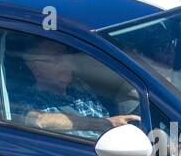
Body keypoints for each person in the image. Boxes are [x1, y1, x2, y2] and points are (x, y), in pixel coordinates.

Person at [9, 37, 140, 140]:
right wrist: (102, 123)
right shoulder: (28, 99)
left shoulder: (78, 86)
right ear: (35, 67)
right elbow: (38, 120)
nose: (66, 63)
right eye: (56, 59)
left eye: (65, 56)